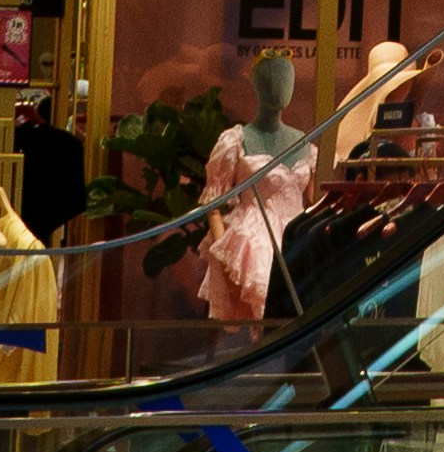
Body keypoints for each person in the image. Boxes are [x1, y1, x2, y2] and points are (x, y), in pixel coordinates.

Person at [175, 33, 418, 338]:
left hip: (299, 234)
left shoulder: (305, 144)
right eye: (272, 81)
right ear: (255, 85)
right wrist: (224, 252)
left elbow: (318, 200)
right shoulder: (235, 141)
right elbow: (214, 201)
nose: (280, 89)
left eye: (285, 81)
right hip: (251, 240)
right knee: (261, 319)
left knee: (292, 318)